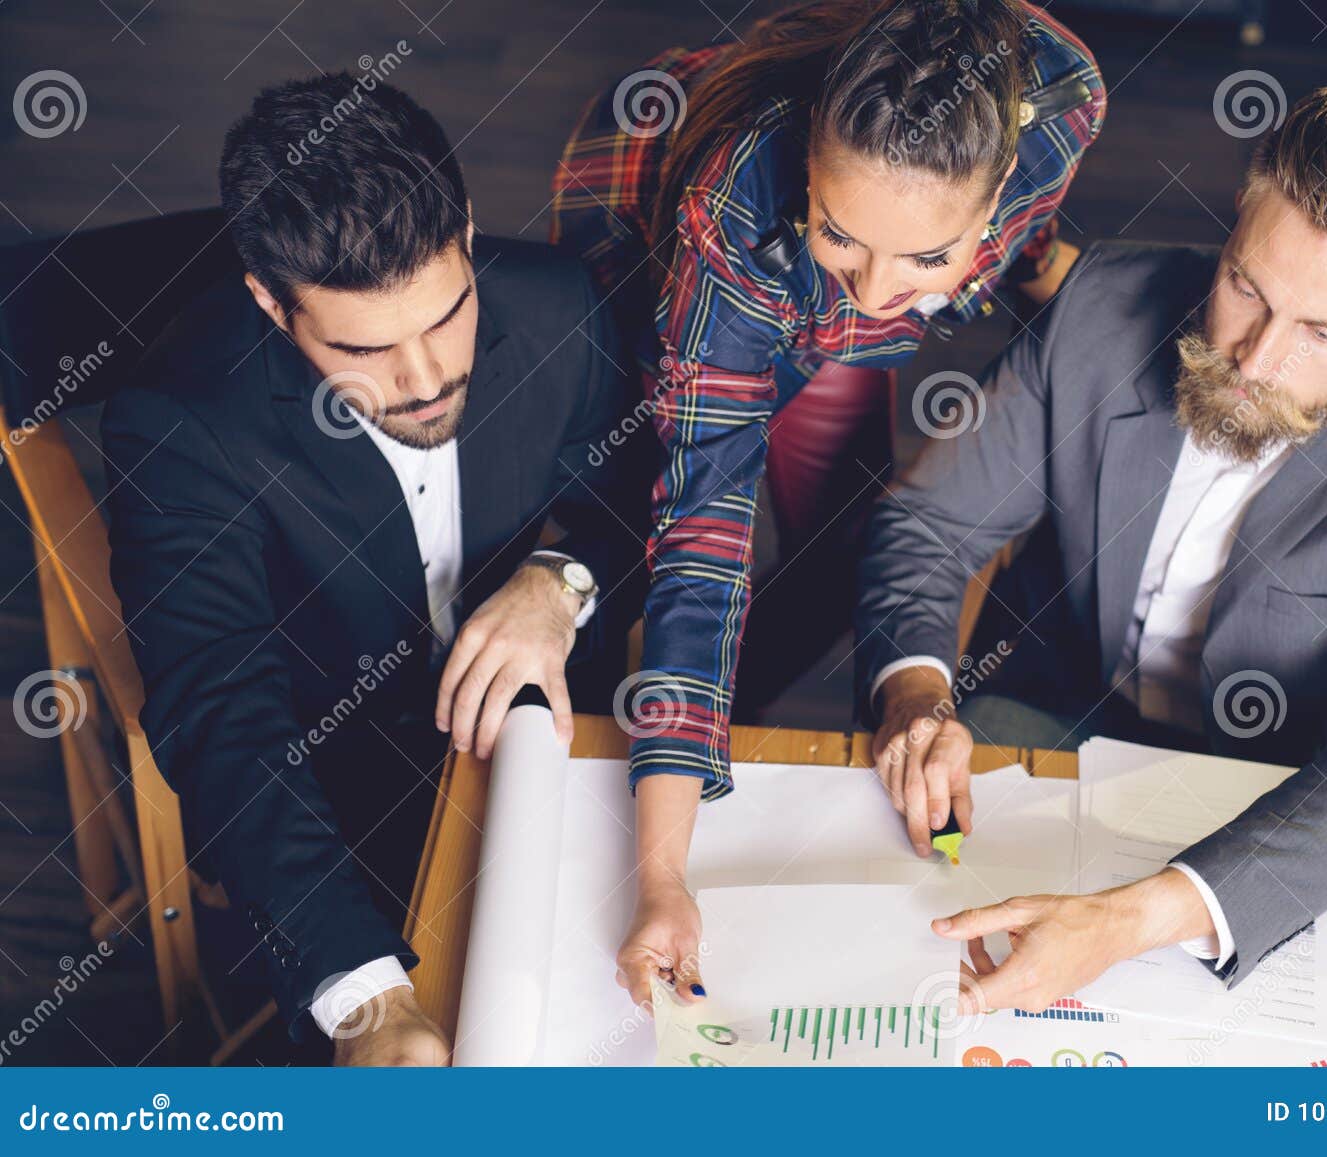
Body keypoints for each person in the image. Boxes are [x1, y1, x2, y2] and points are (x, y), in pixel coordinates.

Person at [855, 85, 1327, 1012]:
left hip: (1276, 799)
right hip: (1054, 726)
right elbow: (929, 523)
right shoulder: (1098, 304)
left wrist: (1137, 918)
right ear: (1232, 235)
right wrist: (917, 693)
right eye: (1247, 288)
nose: (1255, 361)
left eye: (1323, 333)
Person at [550, 0, 1105, 1009]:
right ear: (809, 170)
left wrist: (1056, 291)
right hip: (651, 210)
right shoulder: (733, 210)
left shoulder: (1065, 104)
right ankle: (656, 727)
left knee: (852, 539)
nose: (878, 294)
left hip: (835, 259)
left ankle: (737, 717)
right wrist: (664, 873)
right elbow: (703, 535)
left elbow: (1015, 233)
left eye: (926, 259)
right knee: (637, 502)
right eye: (844, 236)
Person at [102, 75, 647, 1062]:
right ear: (272, 303)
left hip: (560, 741)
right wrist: (365, 998)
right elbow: (224, 706)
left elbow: (630, 506)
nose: (427, 375)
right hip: (337, 801)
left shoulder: (559, 301)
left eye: (446, 317)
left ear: (469, 232)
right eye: (366, 348)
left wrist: (557, 582)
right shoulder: (178, 420)